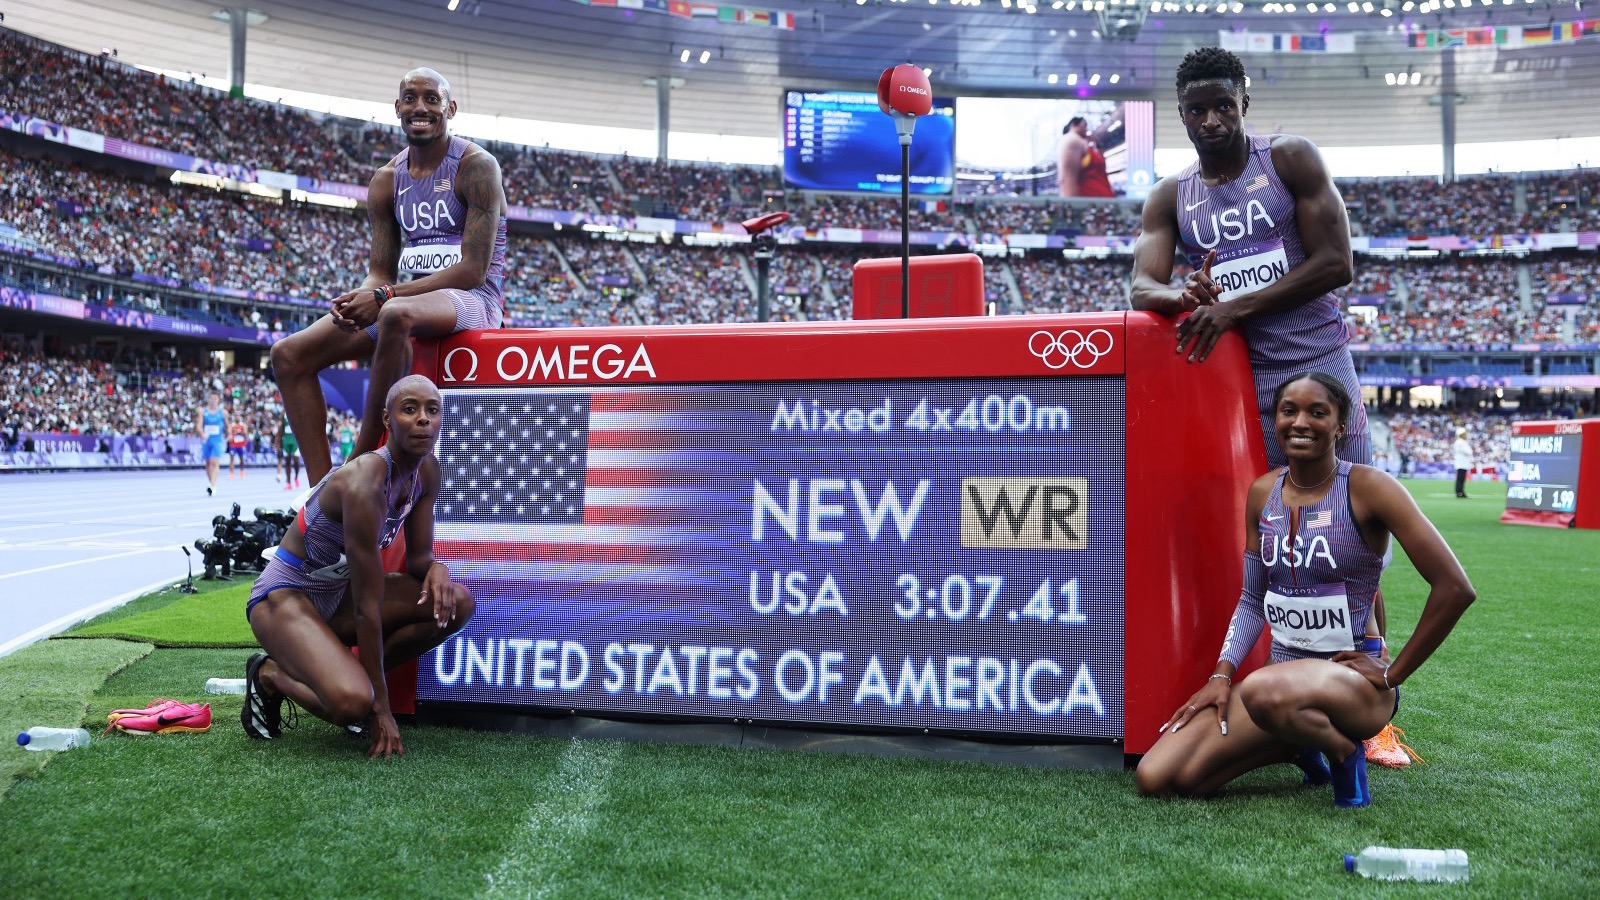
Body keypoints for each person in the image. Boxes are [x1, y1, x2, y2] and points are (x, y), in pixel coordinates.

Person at [1134, 373, 1474, 807]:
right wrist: (1221, 675)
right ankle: (1295, 744)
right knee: (1159, 776)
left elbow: (1455, 587)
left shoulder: (1370, 488)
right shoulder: (1263, 493)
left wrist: (1392, 673)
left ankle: (1344, 751)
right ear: (1275, 419)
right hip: (1280, 687)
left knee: (1259, 689)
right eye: (1288, 410)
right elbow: (1253, 599)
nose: (1300, 422)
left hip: (1353, 687)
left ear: (1340, 426)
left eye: (1317, 412)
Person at [269, 67, 508, 486]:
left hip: (472, 301)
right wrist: (358, 300)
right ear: (397, 107)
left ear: (450, 109)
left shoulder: (476, 167)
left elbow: (473, 269)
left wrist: (381, 297)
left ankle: (362, 456)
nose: (421, 107)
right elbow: (379, 270)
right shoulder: (385, 181)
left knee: (396, 313)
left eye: (432, 99)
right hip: (404, 299)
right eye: (411, 98)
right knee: (288, 355)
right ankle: (324, 493)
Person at [241, 375, 474, 758]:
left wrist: (438, 569)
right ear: (387, 420)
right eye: (410, 409)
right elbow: (368, 607)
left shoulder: (426, 472)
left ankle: (347, 677)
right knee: (353, 704)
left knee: (456, 603)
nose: (423, 420)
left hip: (336, 594)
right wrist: (379, 710)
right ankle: (269, 675)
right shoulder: (365, 483)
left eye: (433, 410)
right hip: (285, 597)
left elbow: (418, 560)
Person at [1056, 117, 1115, 199]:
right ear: (1074, 124)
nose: (1086, 129)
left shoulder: (1083, 143)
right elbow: (1066, 181)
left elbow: (1102, 170)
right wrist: (1074, 208)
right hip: (1091, 205)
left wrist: (1098, 145)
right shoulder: (1072, 139)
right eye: (1084, 125)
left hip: (1101, 203)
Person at [195, 392, 225, 496]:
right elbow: (198, 425)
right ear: (208, 400)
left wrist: (229, 434)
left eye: (215, 398)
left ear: (218, 400)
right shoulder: (203, 411)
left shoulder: (223, 412)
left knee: (214, 462)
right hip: (206, 440)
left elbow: (228, 426)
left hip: (217, 440)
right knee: (208, 464)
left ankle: (212, 485)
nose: (213, 400)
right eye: (211, 398)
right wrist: (202, 433)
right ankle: (212, 484)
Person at [277, 411, 301, 490]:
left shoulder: (297, 412)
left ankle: (296, 477)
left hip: (295, 439)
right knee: (287, 462)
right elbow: (281, 428)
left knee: (296, 461)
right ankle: (288, 482)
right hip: (286, 440)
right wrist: (278, 441)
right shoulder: (283, 414)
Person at [1452, 427, 1473, 499]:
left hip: (1463, 463)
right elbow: (1468, 451)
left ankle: (1461, 491)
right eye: (1464, 434)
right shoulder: (1460, 442)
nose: (1466, 435)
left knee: (1462, 478)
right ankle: (1459, 492)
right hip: (1461, 463)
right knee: (1460, 478)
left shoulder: (1461, 442)